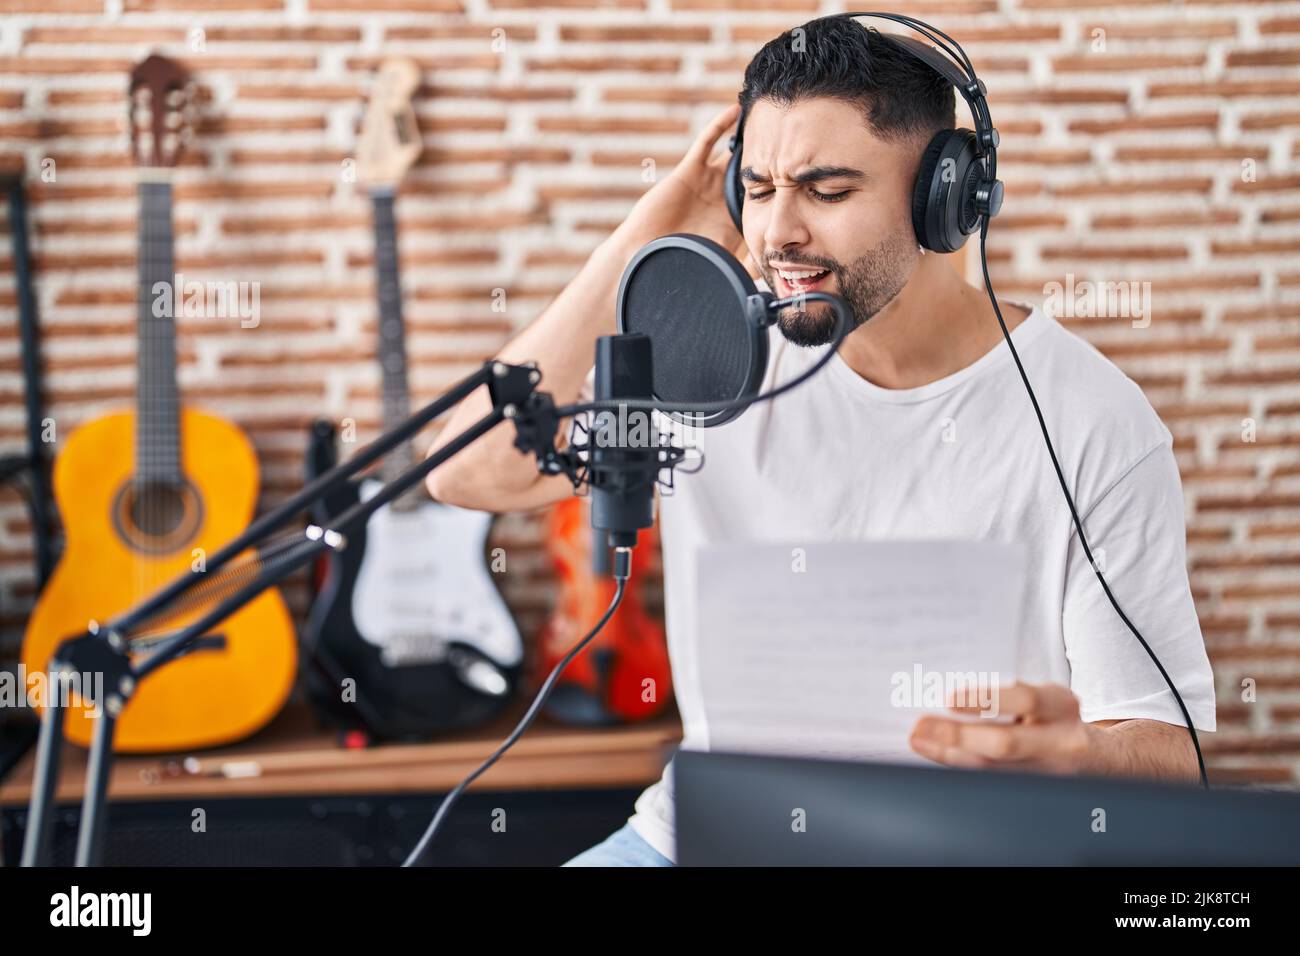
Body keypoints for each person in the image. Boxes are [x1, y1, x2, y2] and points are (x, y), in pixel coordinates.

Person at [426, 17, 1216, 867]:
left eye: (827, 192)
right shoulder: (710, 363)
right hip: (699, 840)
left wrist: (1078, 762)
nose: (778, 234)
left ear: (944, 198)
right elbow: (471, 472)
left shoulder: (1090, 419)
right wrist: (653, 236)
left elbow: (1172, 761)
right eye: (758, 190)